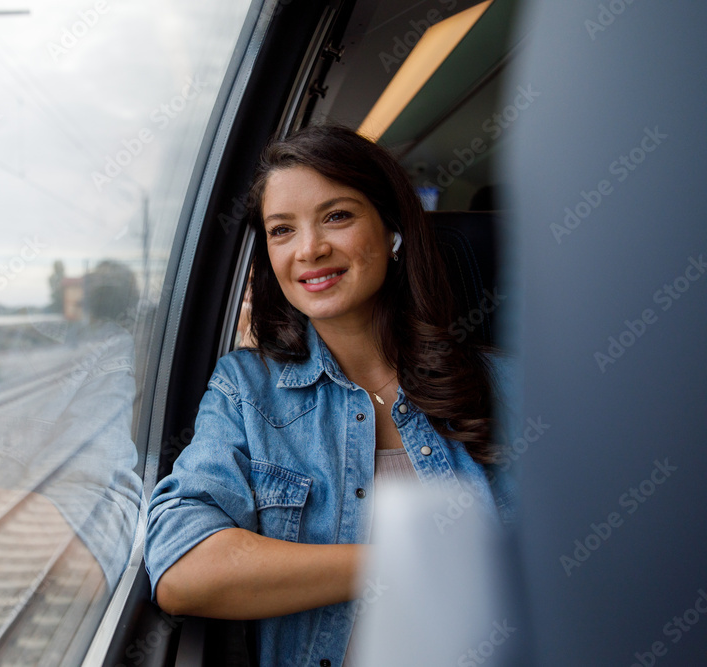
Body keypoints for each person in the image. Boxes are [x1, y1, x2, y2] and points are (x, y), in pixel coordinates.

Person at [144, 125, 515, 666]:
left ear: (392, 229)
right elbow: (182, 569)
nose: (310, 249)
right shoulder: (247, 391)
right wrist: (401, 563)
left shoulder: (510, 383)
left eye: (337, 216)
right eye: (281, 230)